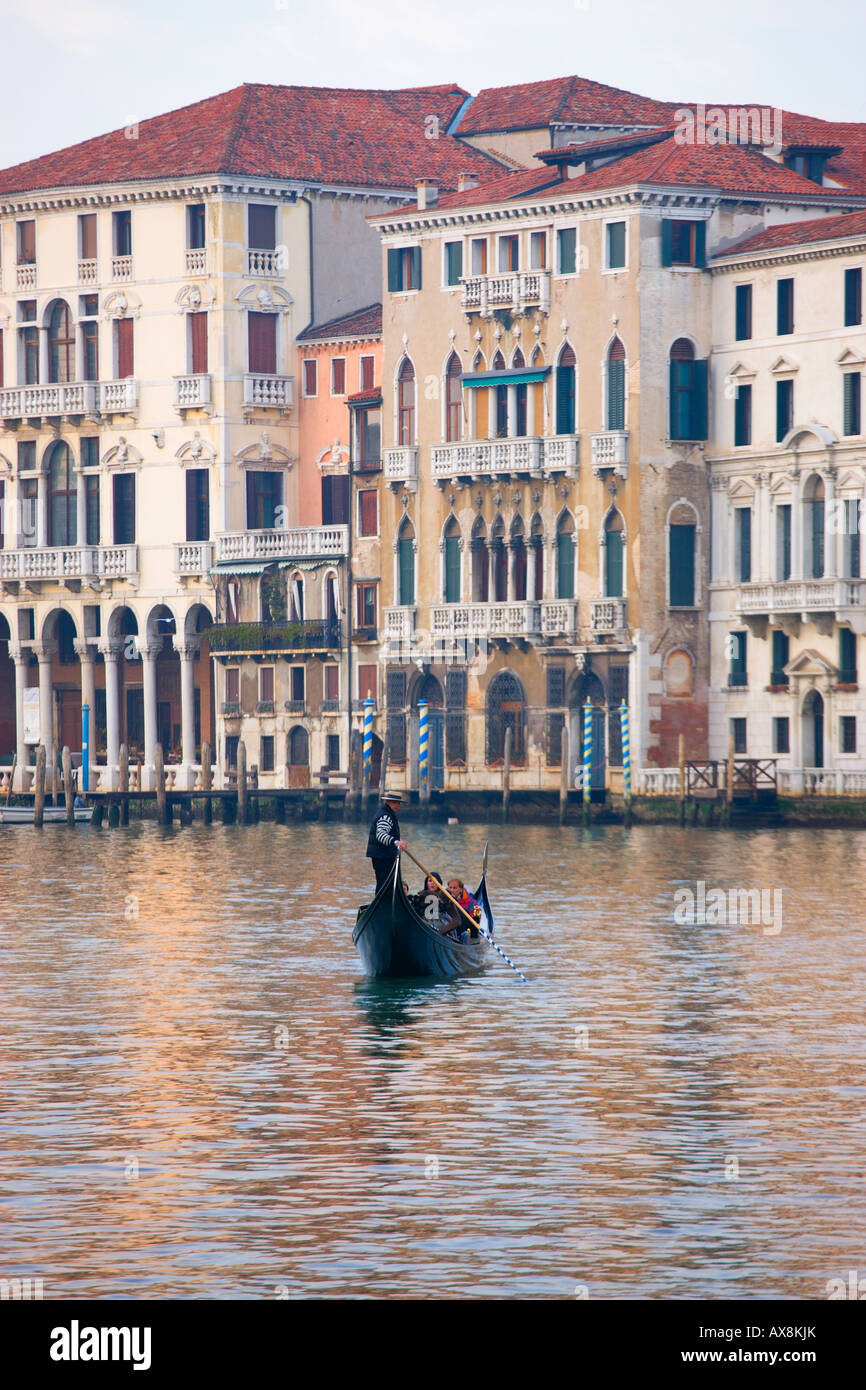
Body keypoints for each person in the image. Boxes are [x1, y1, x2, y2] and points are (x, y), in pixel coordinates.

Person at [366, 791, 407, 891]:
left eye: (398, 803)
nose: (397, 805)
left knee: (384, 885)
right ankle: (384, 904)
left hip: (383, 856)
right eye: (394, 802)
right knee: (386, 885)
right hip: (383, 857)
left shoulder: (387, 814)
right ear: (388, 802)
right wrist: (396, 842)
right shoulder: (386, 816)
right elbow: (380, 835)